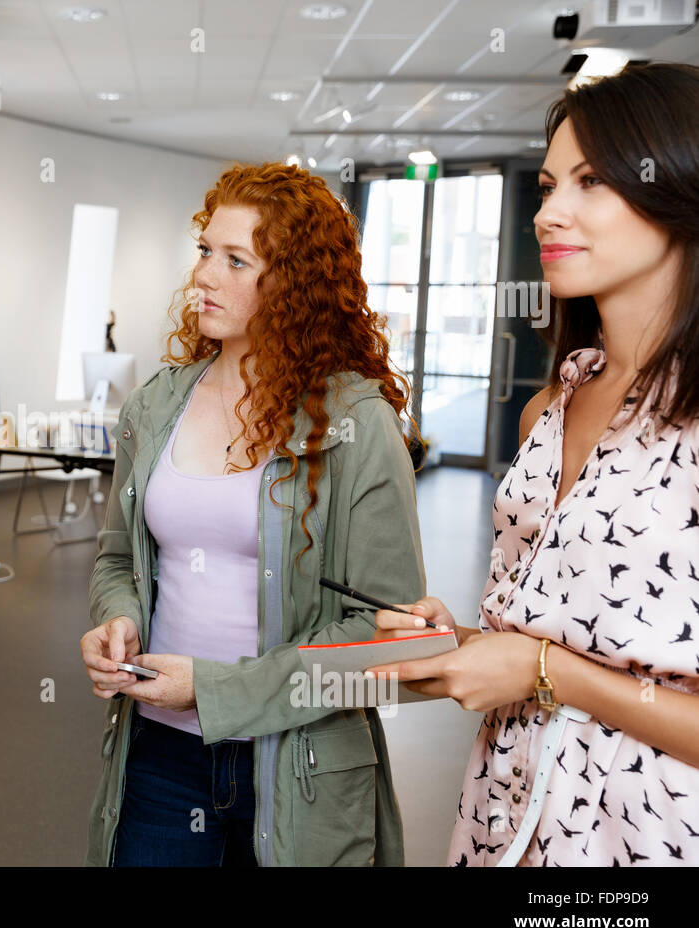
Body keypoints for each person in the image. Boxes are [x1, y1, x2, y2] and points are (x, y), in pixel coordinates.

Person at [370, 62, 699, 867]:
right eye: (549, 185)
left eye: (592, 182)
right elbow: (554, 638)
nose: (550, 213)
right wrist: (462, 647)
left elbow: (554, 664)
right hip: (506, 819)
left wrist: (543, 670)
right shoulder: (552, 405)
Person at [80, 162, 426, 866]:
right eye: (206, 251)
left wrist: (214, 691)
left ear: (296, 283)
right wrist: (117, 616)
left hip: (303, 768)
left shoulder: (357, 423)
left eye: (236, 260)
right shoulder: (156, 405)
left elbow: (385, 640)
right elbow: (119, 558)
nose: (203, 275)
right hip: (160, 755)